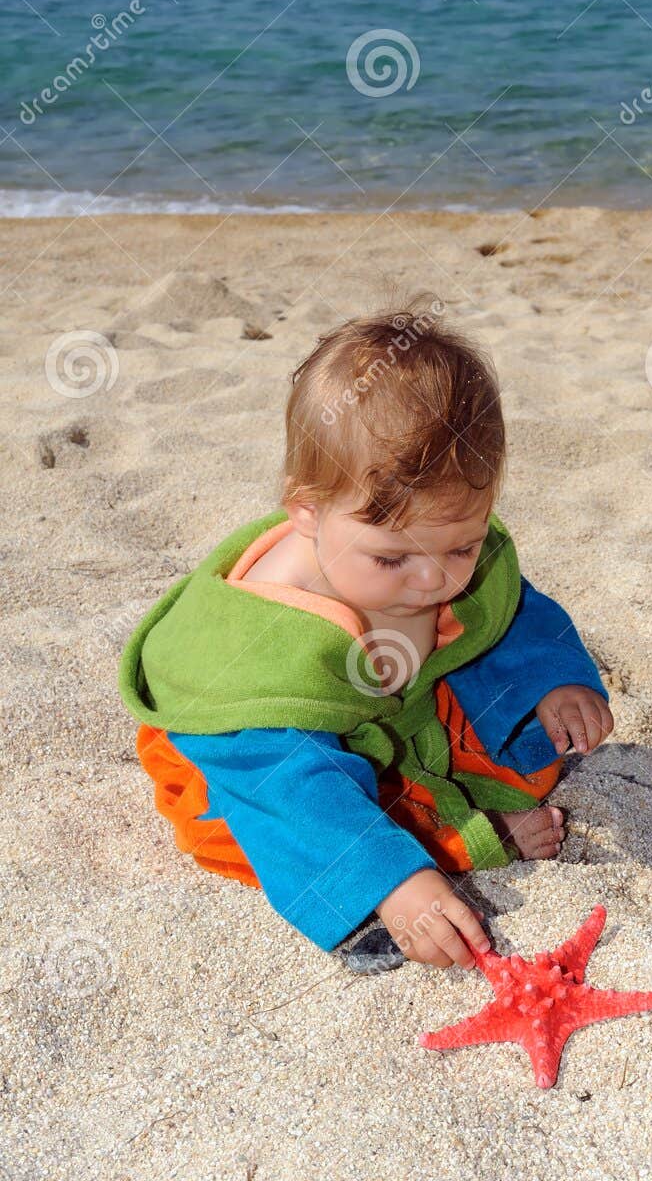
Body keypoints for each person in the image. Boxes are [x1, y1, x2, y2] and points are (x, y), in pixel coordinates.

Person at [118, 296, 613, 973]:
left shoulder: (426, 541)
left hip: (399, 707)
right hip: (258, 748)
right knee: (256, 831)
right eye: (391, 559)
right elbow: (286, 781)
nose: (433, 580)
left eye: (462, 546)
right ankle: (426, 857)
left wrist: (553, 679)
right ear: (307, 511)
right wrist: (397, 885)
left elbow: (511, 606)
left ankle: (434, 831)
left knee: (510, 729)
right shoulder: (261, 642)